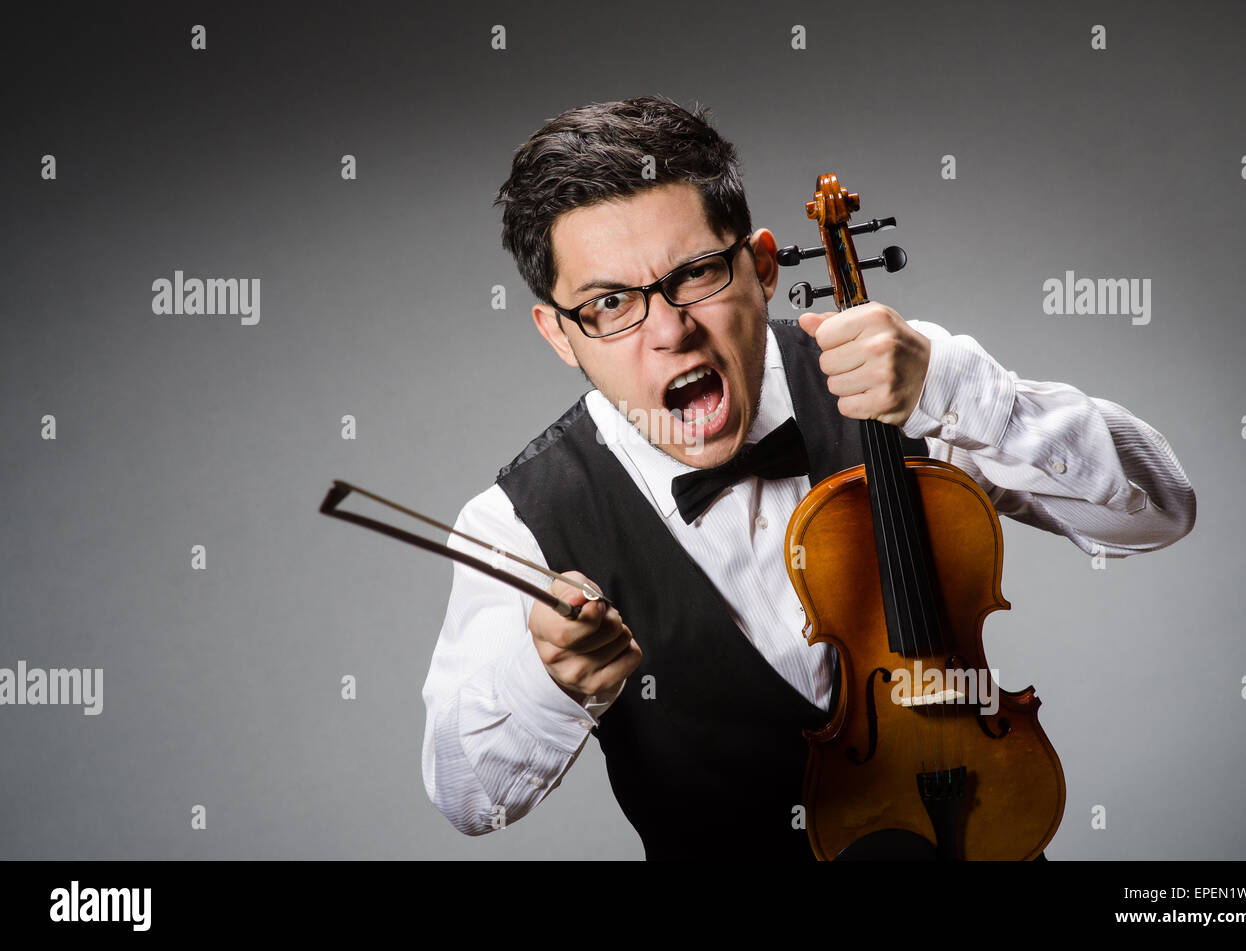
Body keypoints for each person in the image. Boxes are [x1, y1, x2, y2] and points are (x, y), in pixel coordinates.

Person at [419, 96, 1196, 860]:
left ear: (760, 267)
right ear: (559, 332)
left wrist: (959, 389)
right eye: (609, 302)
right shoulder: (517, 522)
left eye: (696, 274)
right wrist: (545, 674)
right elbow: (466, 798)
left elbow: (1160, 509)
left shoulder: (895, 380)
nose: (668, 331)